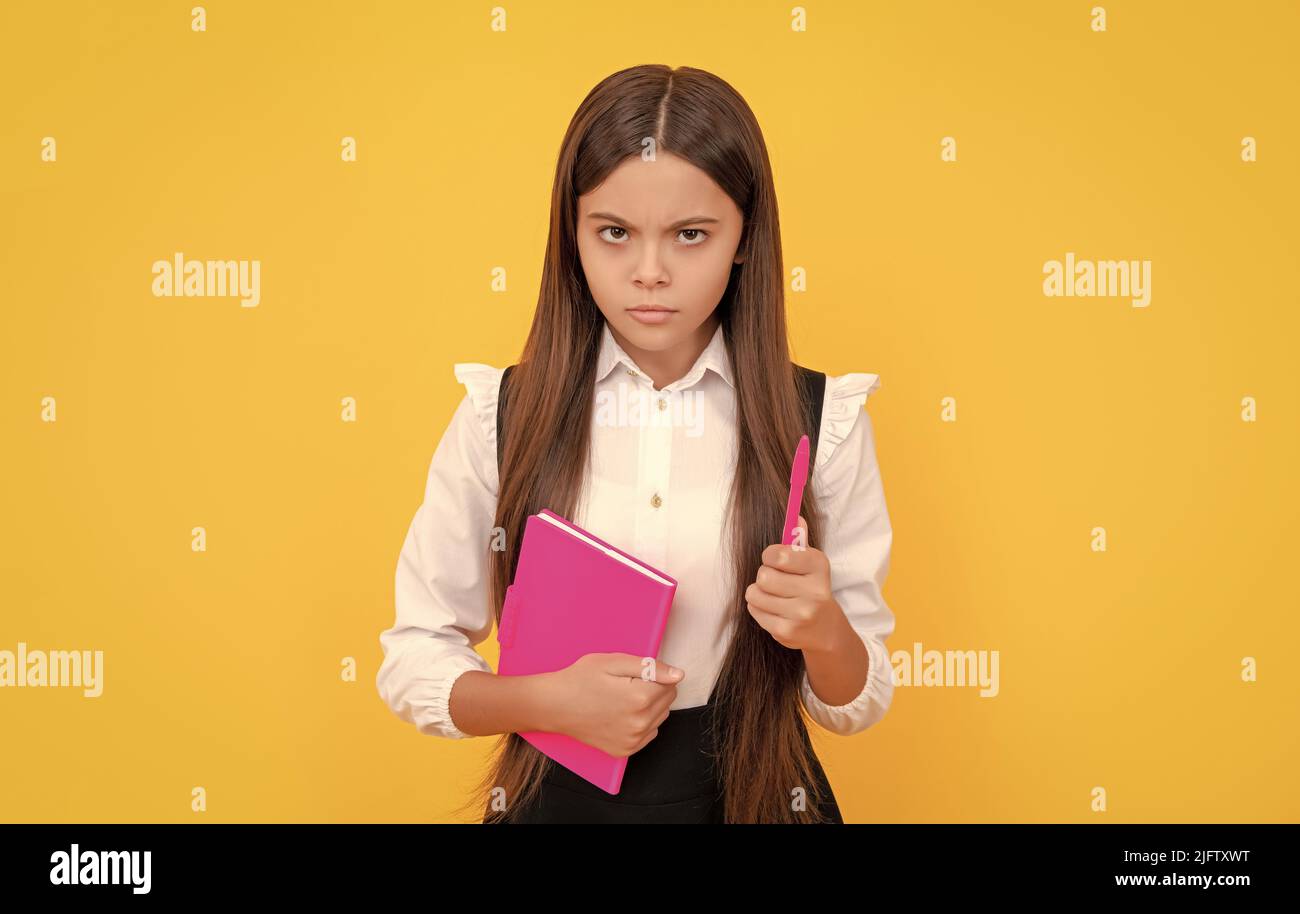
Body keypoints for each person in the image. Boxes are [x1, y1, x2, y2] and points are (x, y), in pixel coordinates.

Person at [376, 64, 896, 824]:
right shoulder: (501, 414)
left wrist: (823, 630)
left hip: (753, 802)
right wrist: (547, 701)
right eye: (614, 233)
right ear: (573, 232)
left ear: (745, 237)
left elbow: (857, 701)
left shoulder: (825, 421)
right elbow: (414, 654)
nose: (650, 273)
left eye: (691, 235)